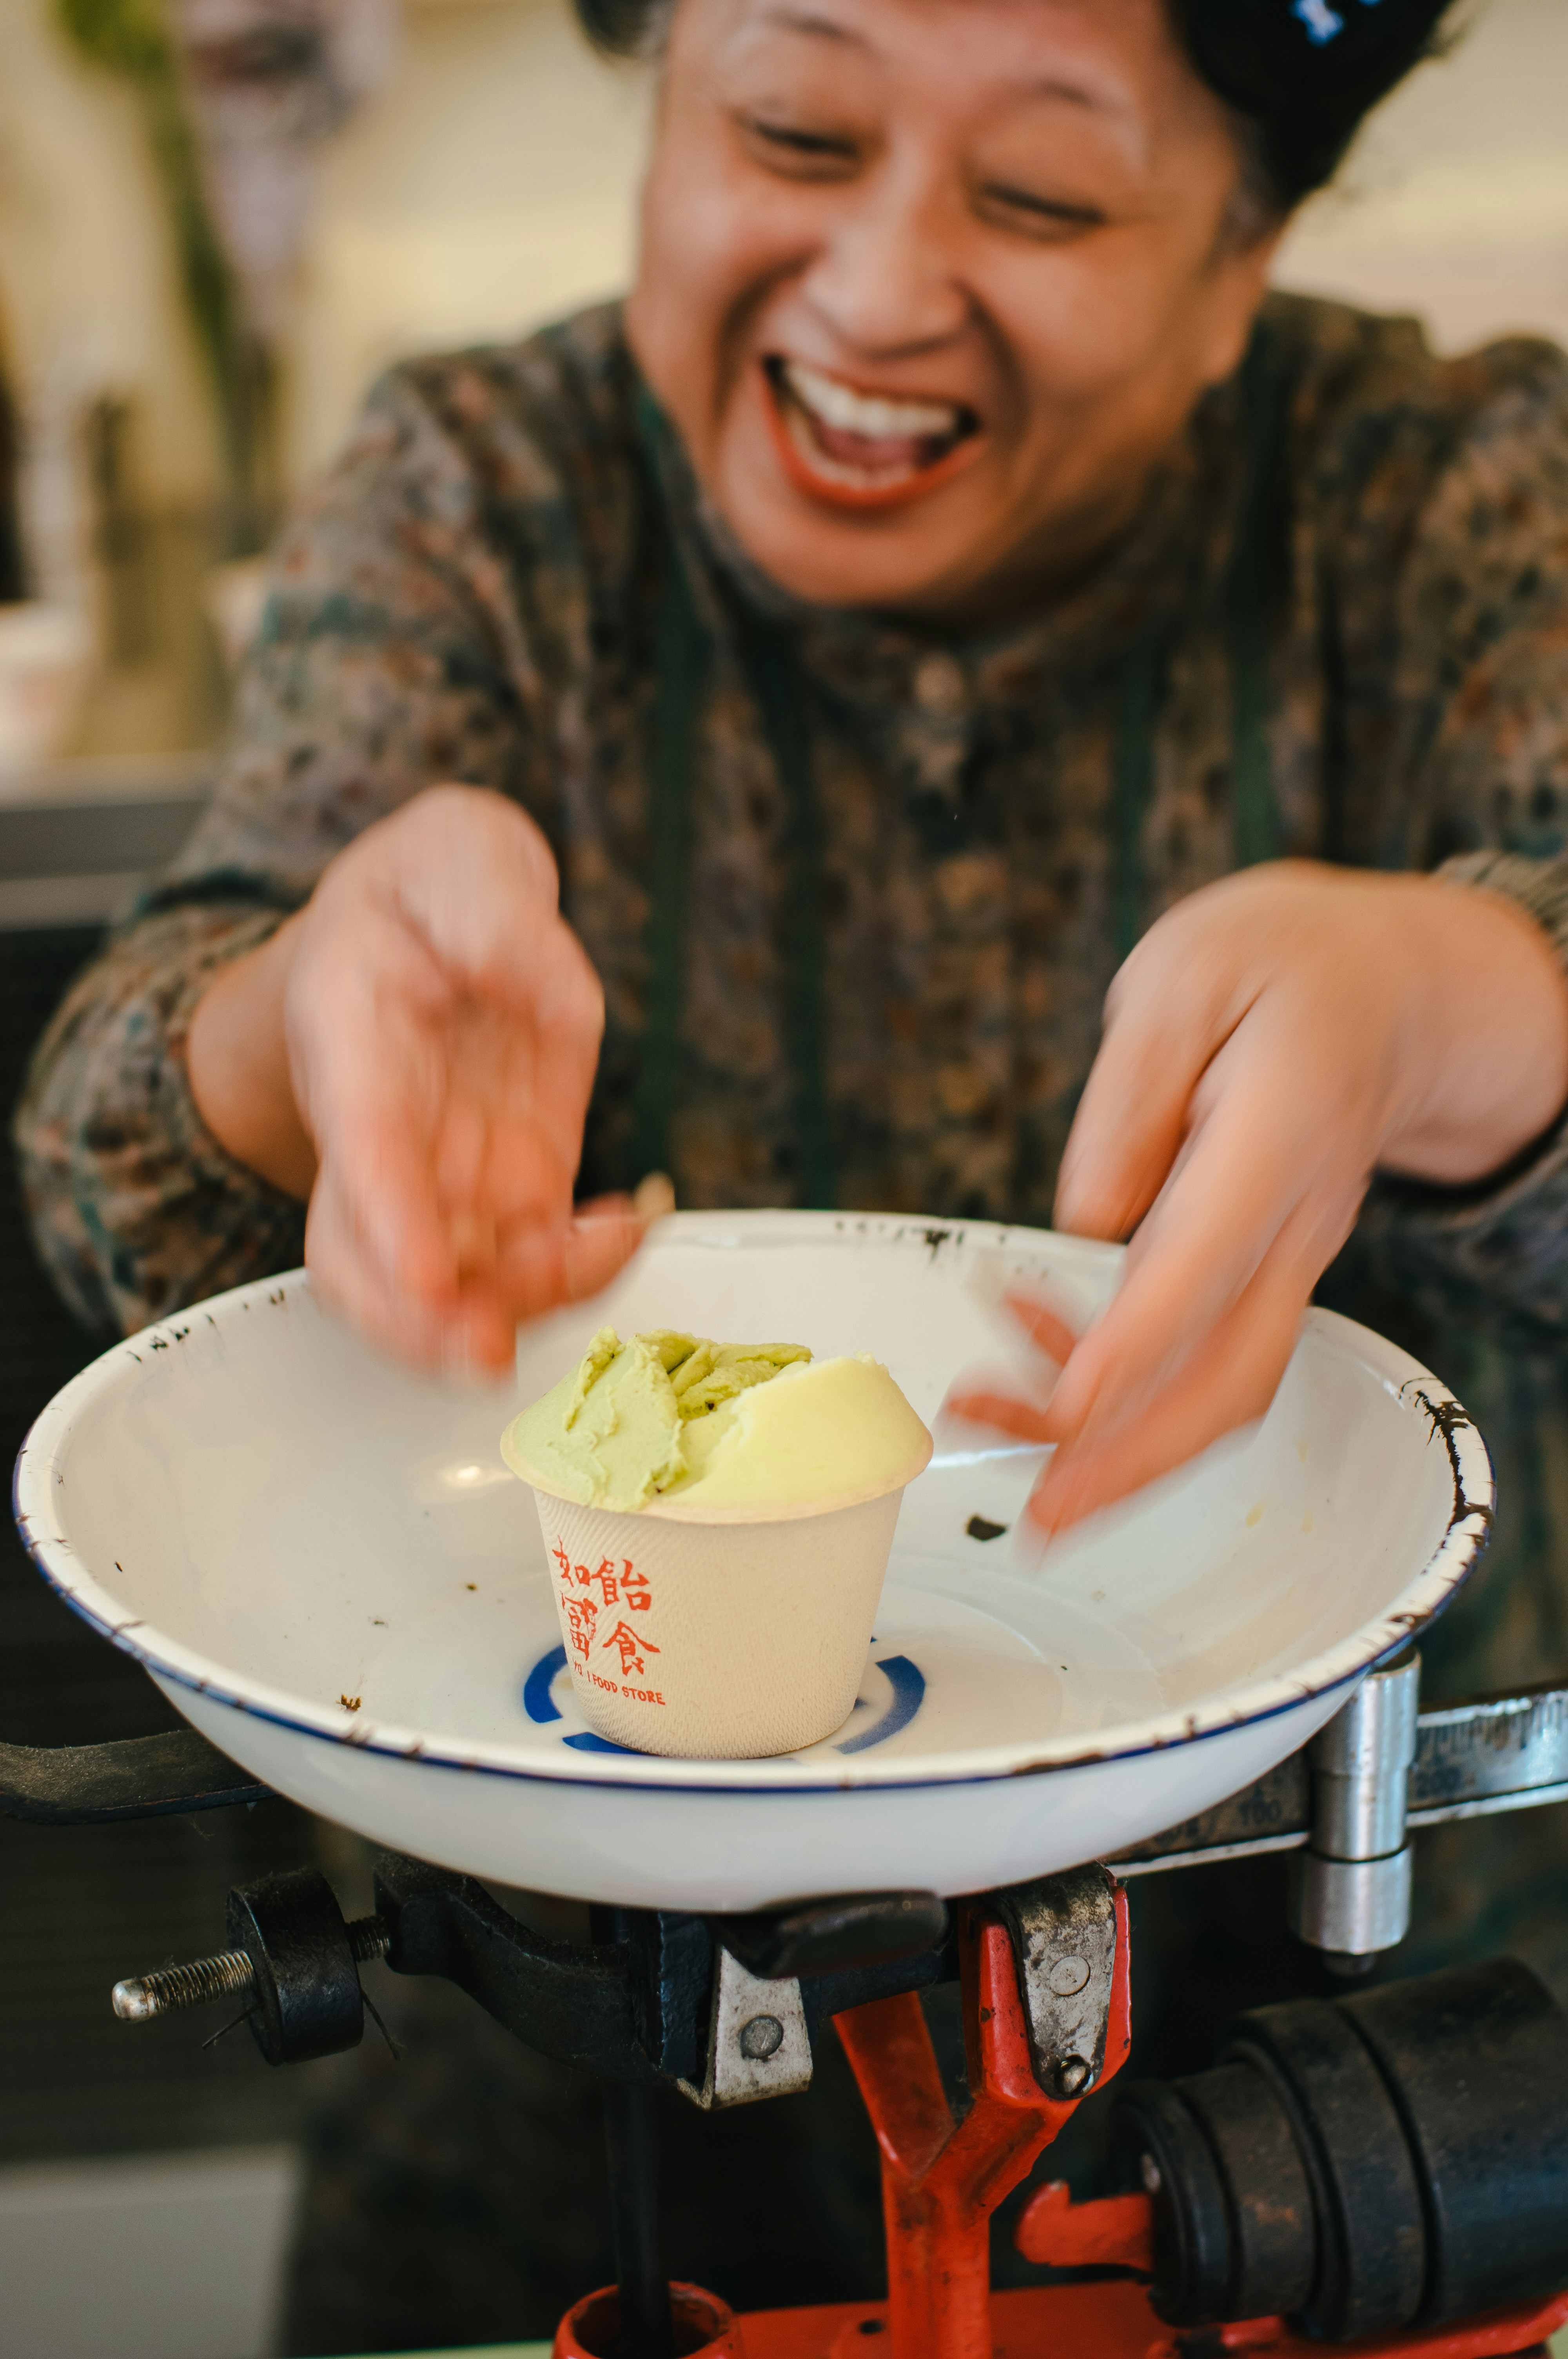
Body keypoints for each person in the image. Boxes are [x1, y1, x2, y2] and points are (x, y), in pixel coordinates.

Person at [16, 0, 1568, 2343]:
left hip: (1326, 2107)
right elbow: (102, 1140)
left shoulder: (1447, 502)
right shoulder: (492, 500)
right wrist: (288, 1028)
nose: (871, 292)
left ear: (1247, 252)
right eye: (793, 127)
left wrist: (1460, 1008)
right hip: (547, 2101)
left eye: (1040, 195)